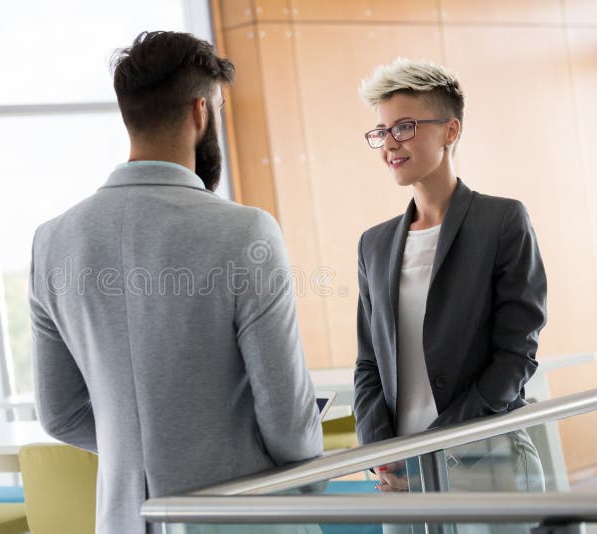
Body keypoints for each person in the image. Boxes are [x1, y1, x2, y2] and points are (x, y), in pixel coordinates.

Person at [29, 31, 323, 534]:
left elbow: (59, 414)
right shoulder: (245, 233)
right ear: (200, 112)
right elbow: (291, 429)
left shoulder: (52, 241)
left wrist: (146, 445)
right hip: (241, 519)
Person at [352, 58, 547, 505]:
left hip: (486, 461)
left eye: (404, 128)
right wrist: (384, 452)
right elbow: (368, 366)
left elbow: (517, 355)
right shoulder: (374, 245)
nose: (389, 145)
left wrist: (435, 448)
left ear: (451, 130)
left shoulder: (502, 220)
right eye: (381, 132)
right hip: (399, 477)